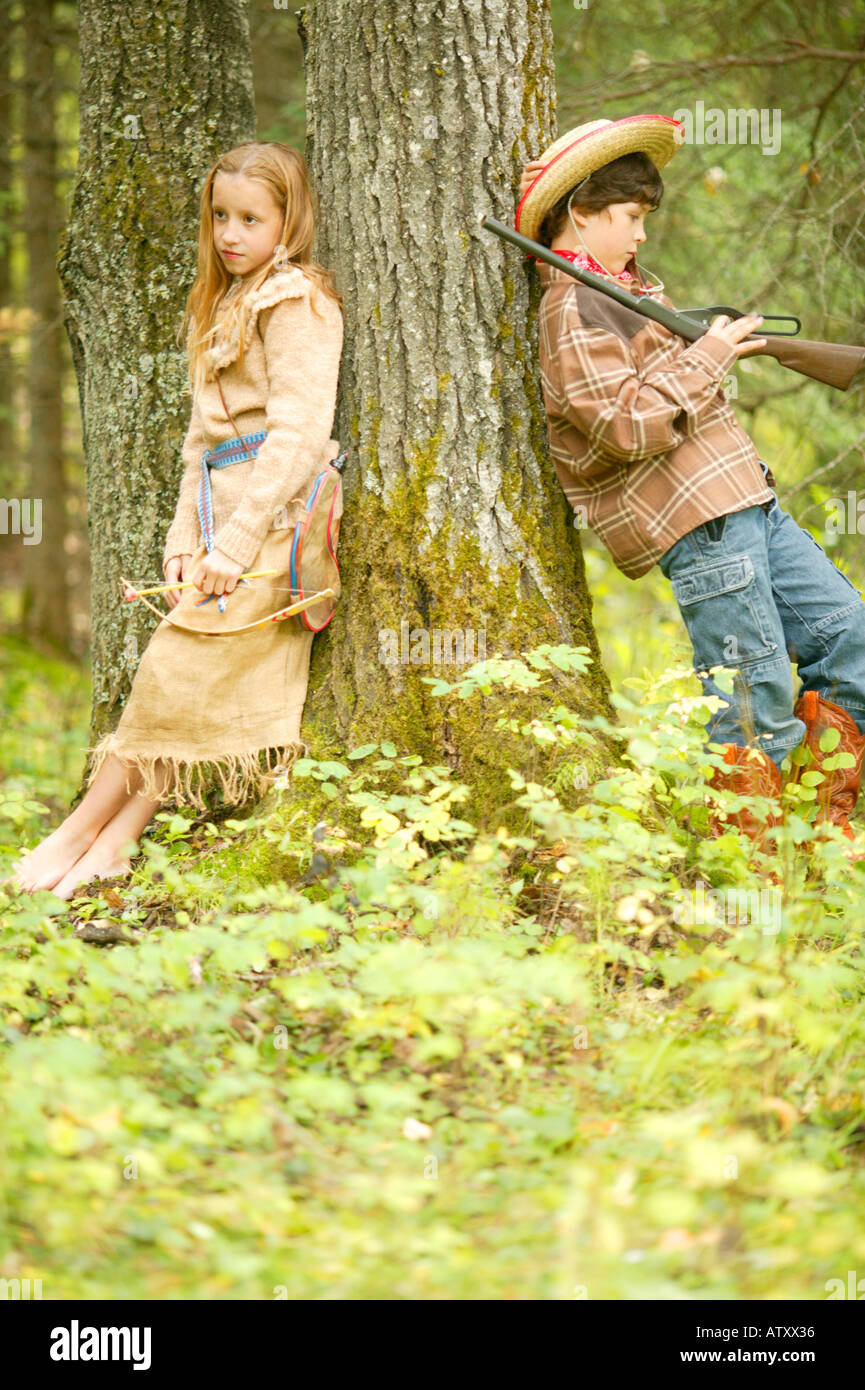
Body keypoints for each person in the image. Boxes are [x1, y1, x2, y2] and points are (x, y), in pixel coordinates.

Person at [516, 115, 865, 857]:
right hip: (701, 526)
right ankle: (749, 880)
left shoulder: (624, 293)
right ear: (579, 211)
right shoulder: (572, 308)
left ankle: (818, 840)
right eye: (630, 217)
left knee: (852, 640)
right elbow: (622, 426)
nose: (640, 233)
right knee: (752, 698)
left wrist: (706, 347)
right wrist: (708, 355)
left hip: (748, 507)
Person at [10, 142, 345, 899]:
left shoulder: (297, 303)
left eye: (251, 219)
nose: (230, 233)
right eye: (220, 216)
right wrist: (185, 540)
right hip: (222, 522)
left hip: (276, 528)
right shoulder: (227, 301)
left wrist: (235, 541)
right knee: (188, 689)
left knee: (172, 675)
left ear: (288, 223)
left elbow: (295, 433)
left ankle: (78, 834)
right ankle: (116, 840)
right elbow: (201, 445)